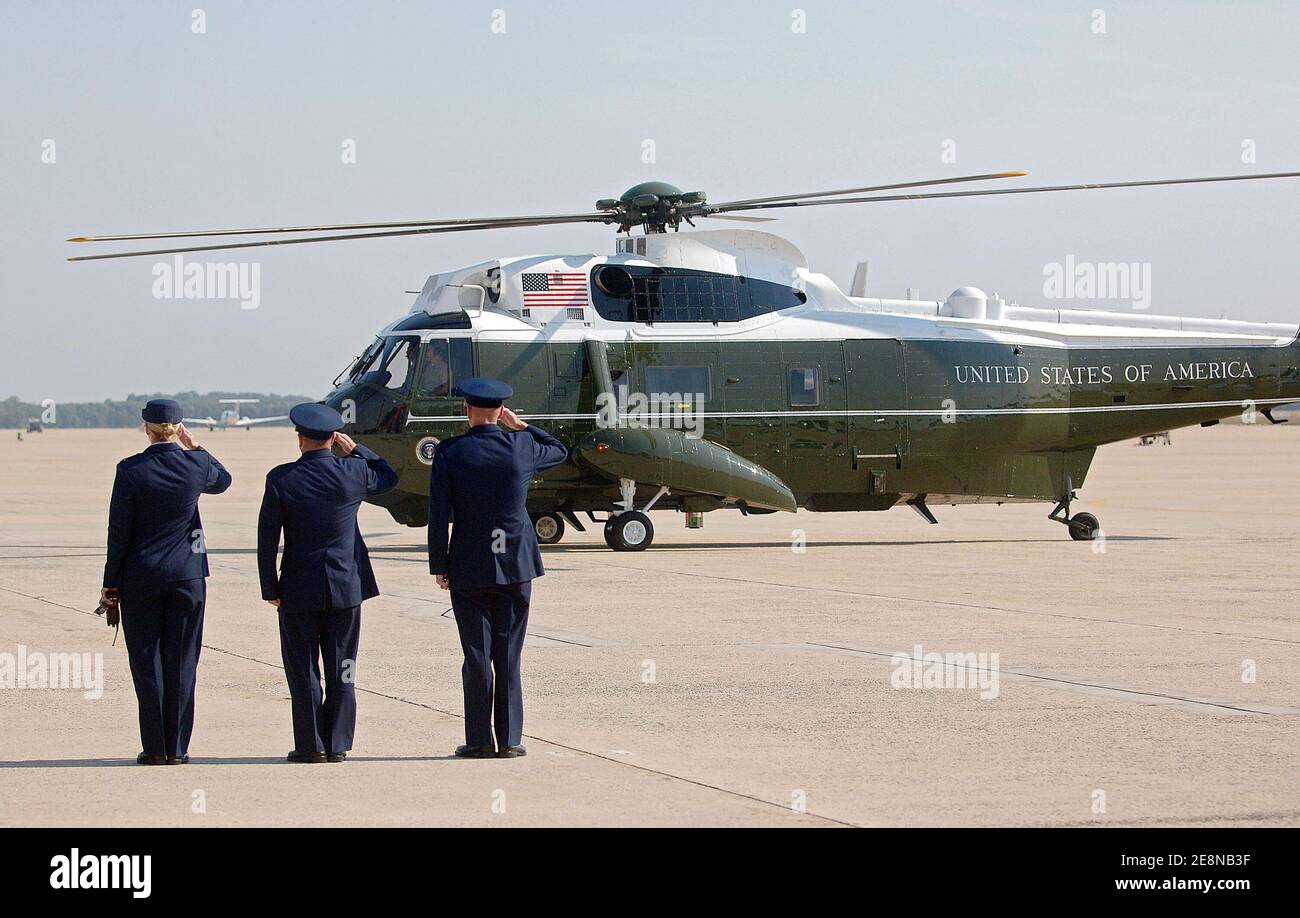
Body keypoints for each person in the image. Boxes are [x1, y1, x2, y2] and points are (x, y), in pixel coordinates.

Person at [427, 378, 568, 758]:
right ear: (501, 411)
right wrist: (522, 427)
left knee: (476, 655)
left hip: (469, 564)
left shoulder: (450, 452)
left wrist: (439, 564)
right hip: (516, 563)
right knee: (508, 654)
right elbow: (559, 450)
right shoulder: (521, 446)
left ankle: (477, 740)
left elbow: (438, 514)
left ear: (467, 410)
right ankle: (509, 740)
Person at [257, 403, 398, 763]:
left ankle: (310, 745)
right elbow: (388, 475)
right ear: (333, 439)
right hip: (344, 586)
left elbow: (267, 540)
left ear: (300, 438)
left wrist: (270, 588)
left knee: (302, 670)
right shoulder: (352, 474)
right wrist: (355, 449)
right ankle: (337, 743)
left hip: (297, 588)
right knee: (343, 666)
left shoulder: (281, 478)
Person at [101, 399, 232, 765]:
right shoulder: (196, 465)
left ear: (146, 427)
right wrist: (196, 447)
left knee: (147, 662)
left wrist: (110, 584)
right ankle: (177, 748)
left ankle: (155, 748)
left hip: (141, 577)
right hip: (187, 577)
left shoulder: (130, 470)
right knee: (183, 661)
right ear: (179, 426)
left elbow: (119, 532)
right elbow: (223, 480)